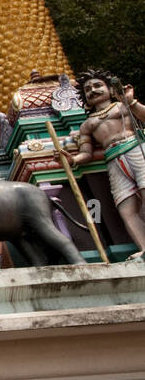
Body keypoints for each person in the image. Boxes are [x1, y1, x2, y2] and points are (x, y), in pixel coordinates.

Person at [60, 71, 145, 258]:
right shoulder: (88, 125)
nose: (93, 91)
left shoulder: (122, 107)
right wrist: (72, 160)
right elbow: (86, 154)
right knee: (125, 207)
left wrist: (131, 101)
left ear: (109, 89)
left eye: (98, 85)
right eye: (88, 89)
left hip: (135, 149)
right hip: (113, 159)